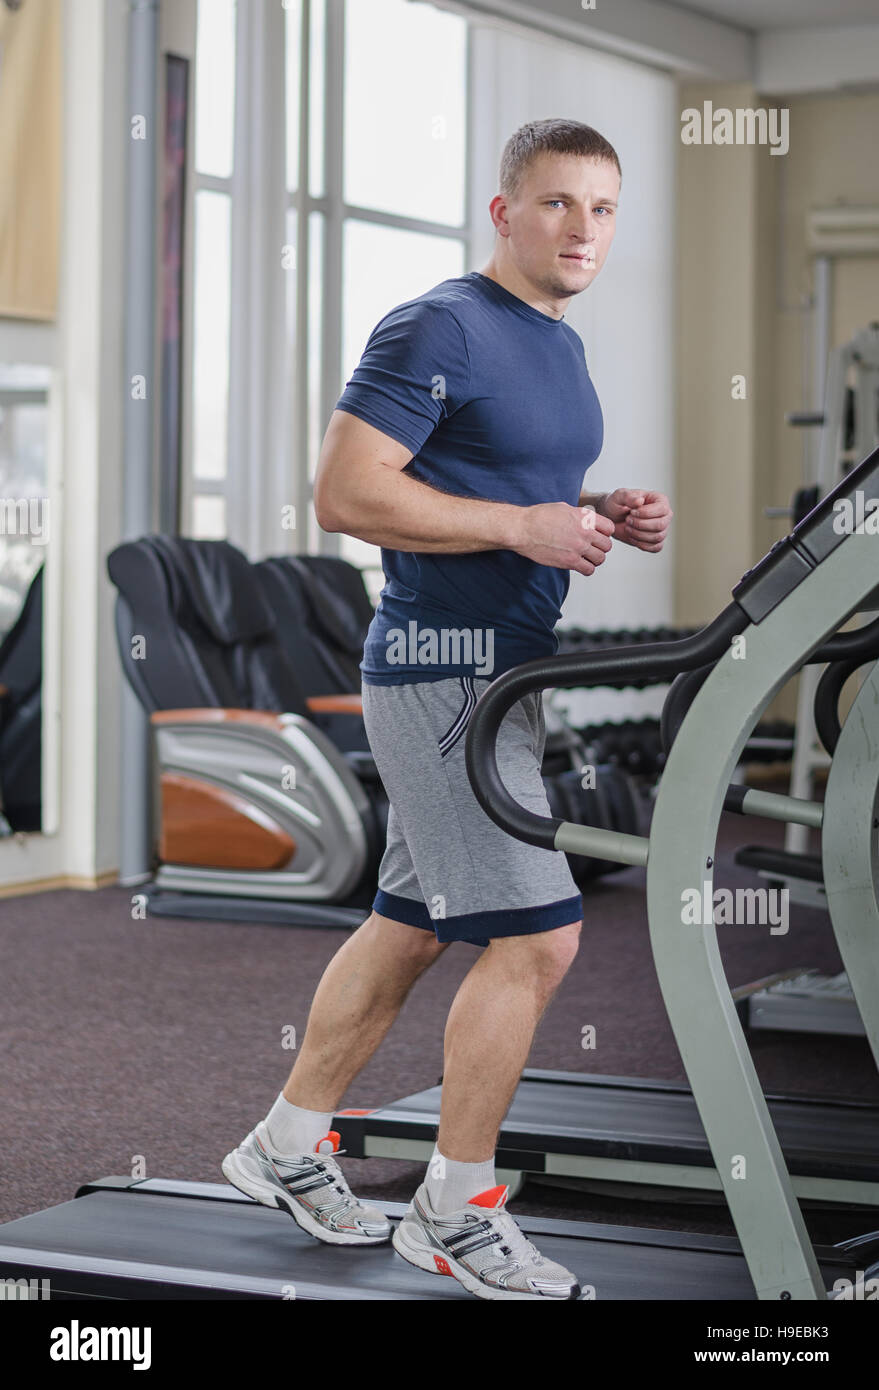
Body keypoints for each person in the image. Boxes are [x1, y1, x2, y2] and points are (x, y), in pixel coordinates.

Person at [223, 117, 672, 1300]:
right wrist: (523, 528)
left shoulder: (557, 345)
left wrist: (589, 507)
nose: (583, 228)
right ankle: (457, 1210)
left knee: (414, 921)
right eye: (558, 203)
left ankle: (280, 1146)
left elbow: (491, 483)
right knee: (540, 937)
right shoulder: (442, 323)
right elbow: (345, 490)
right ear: (504, 213)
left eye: (604, 208)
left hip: (505, 667)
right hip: (440, 668)